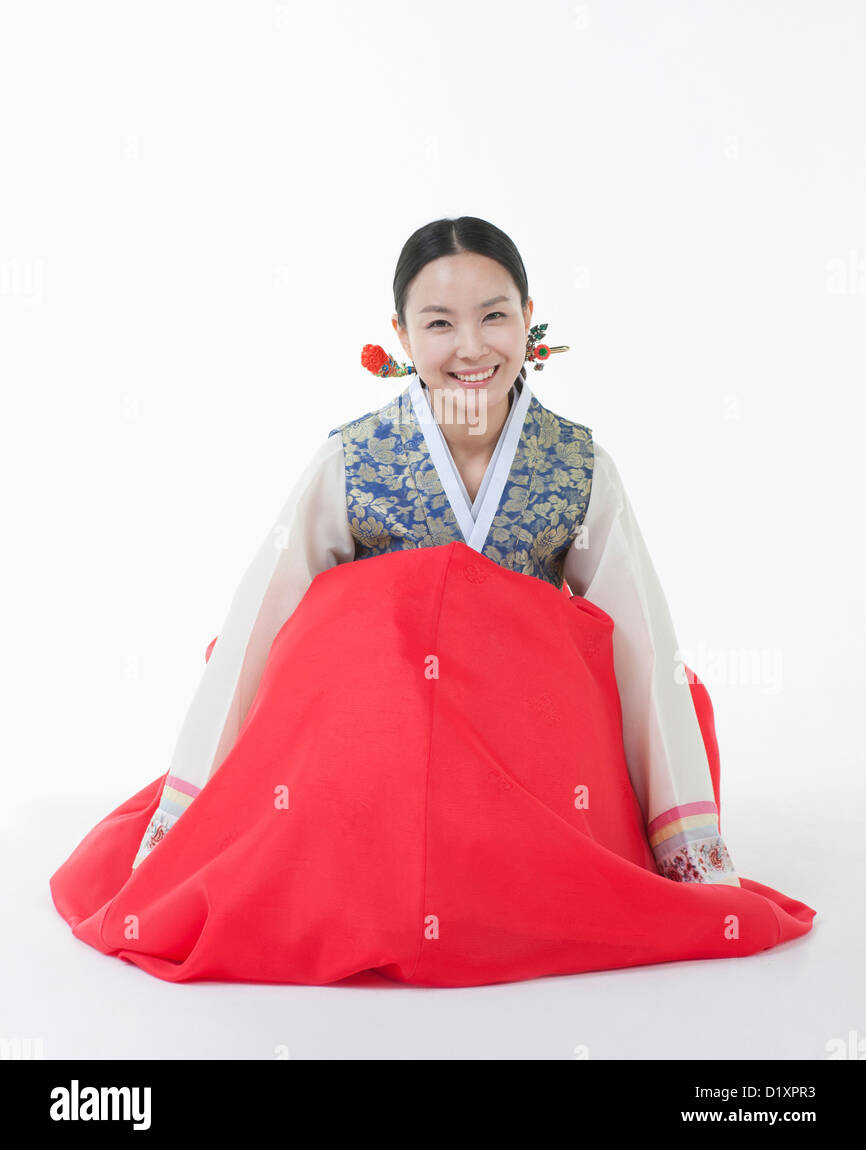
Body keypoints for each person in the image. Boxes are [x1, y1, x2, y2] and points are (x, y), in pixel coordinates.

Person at [49, 217, 815, 985]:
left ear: (528, 316)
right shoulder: (354, 458)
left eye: (494, 315)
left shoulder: (577, 464)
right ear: (401, 334)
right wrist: (193, 820)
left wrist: (686, 849)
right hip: (378, 776)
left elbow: (641, 644)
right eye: (440, 323)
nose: (472, 348)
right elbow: (263, 624)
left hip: (532, 769)